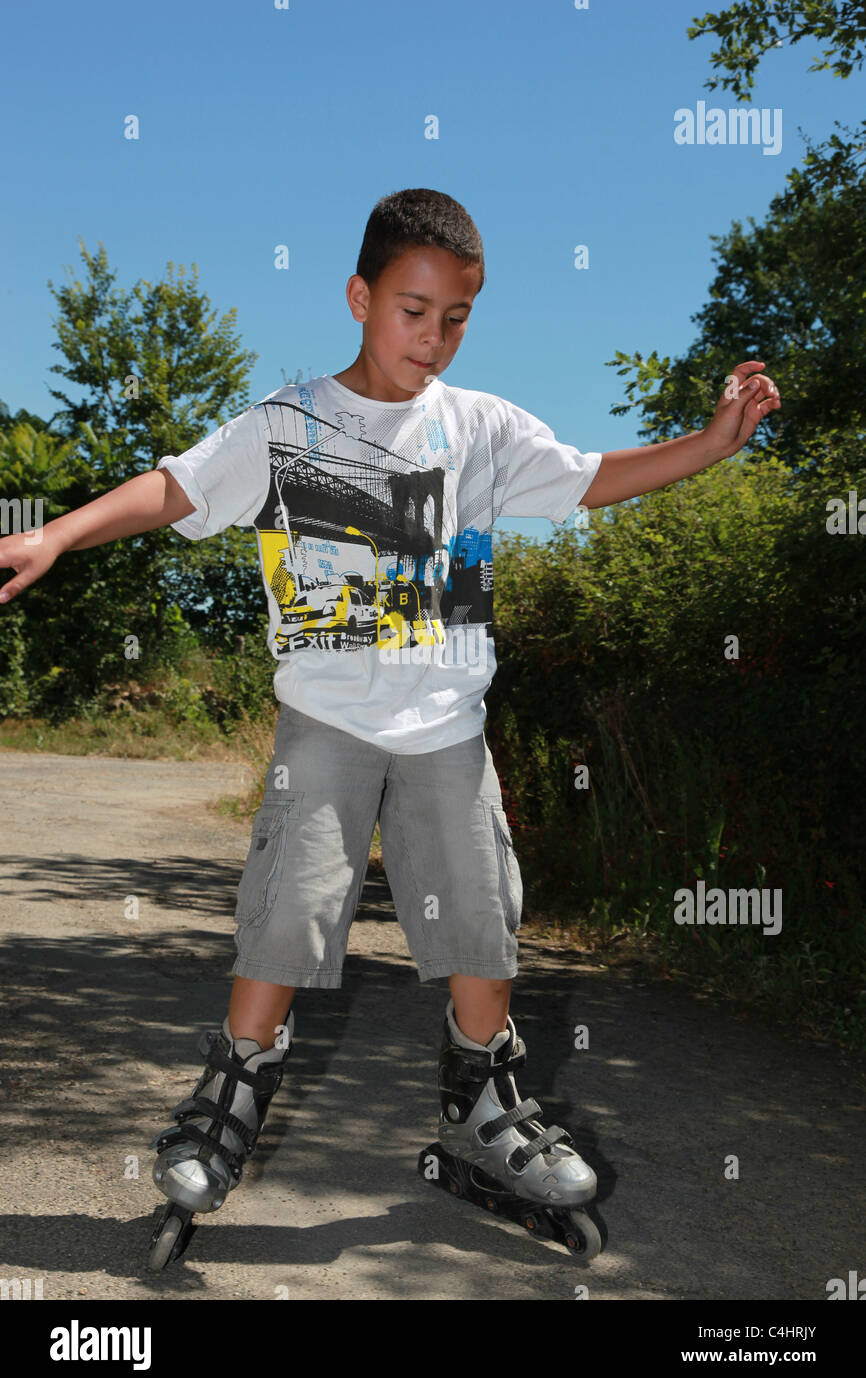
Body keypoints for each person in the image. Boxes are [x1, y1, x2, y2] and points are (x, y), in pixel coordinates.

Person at [0, 187, 780, 1267]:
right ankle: (229, 1100)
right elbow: (173, 490)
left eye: (455, 316)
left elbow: (595, 479)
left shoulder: (481, 429)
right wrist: (54, 535)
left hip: (445, 727)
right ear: (361, 297)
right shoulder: (283, 426)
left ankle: (482, 1106)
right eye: (413, 311)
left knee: (479, 911)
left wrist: (709, 443)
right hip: (323, 720)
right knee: (288, 907)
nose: (433, 337)